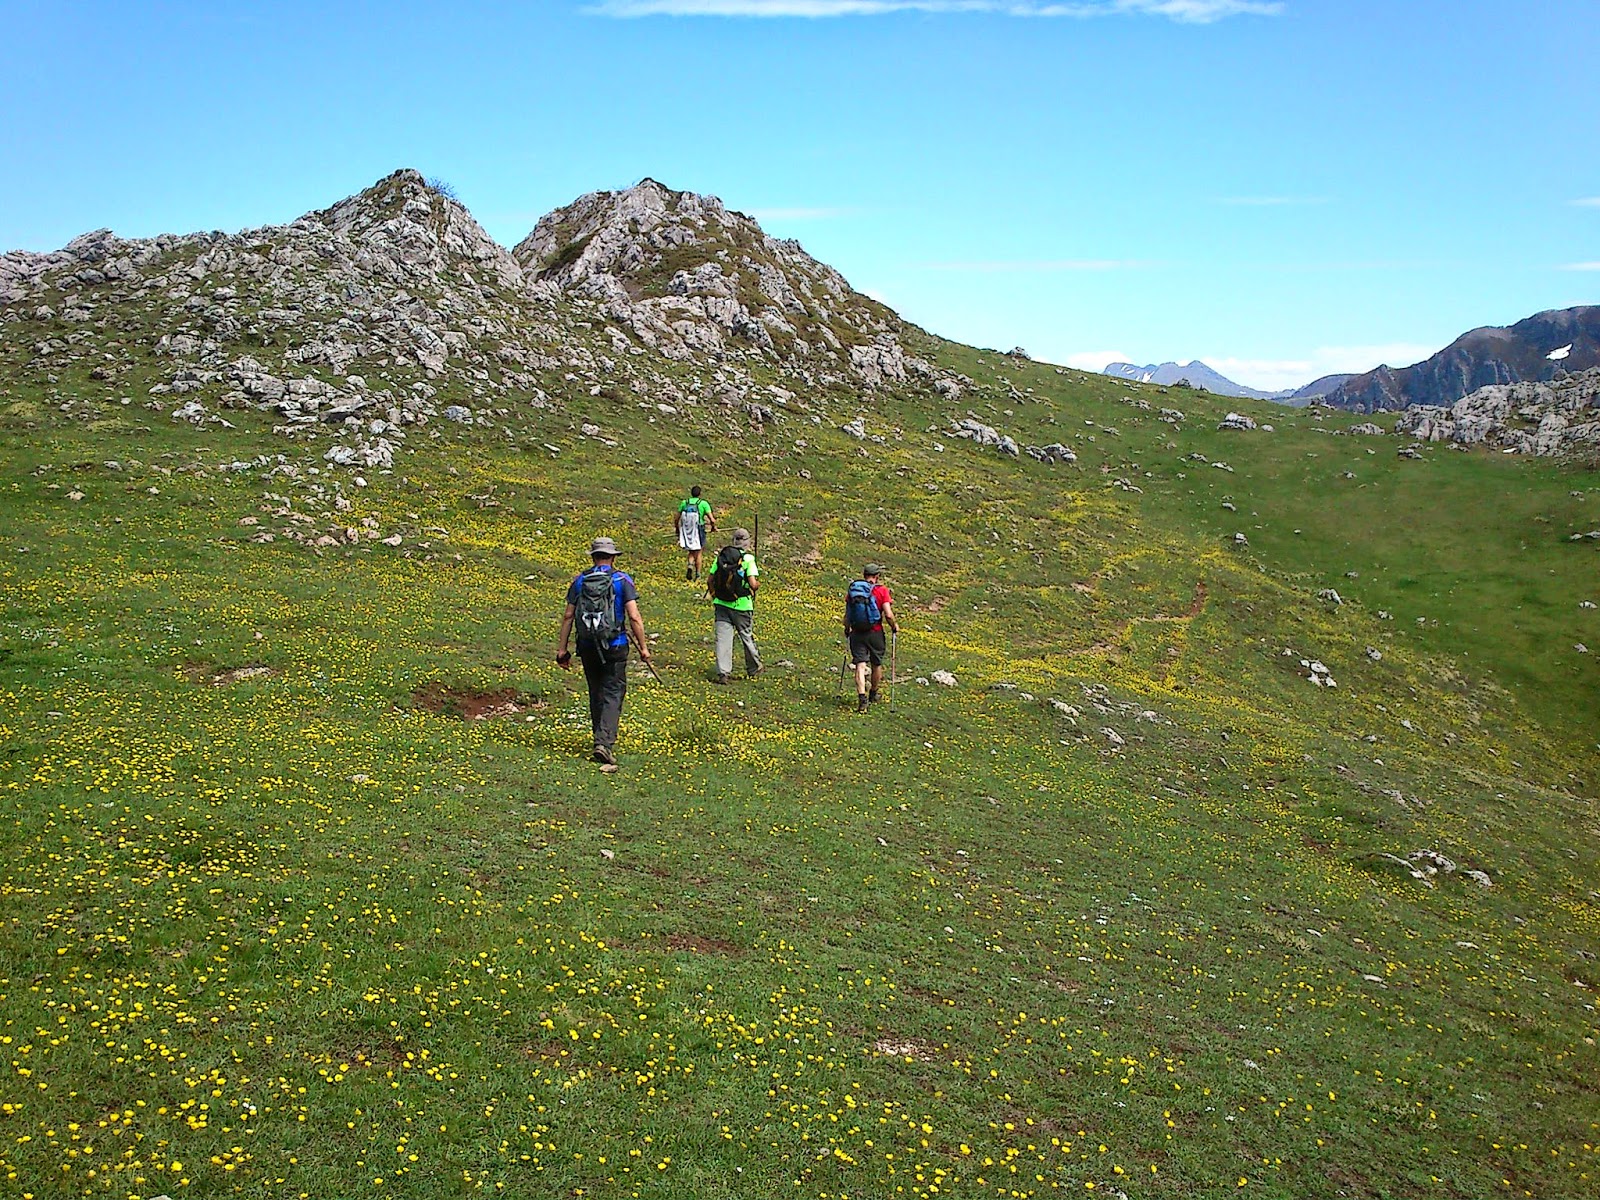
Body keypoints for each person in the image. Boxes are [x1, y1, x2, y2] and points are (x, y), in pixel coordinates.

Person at [555, 537, 653, 766]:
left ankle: (599, 737)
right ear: (613, 557)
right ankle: (604, 743)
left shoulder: (580, 581)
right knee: (613, 691)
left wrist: (562, 649)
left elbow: (568, 615)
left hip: (587, 644)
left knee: (596, 690)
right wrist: (643, 647)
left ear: (593, 557)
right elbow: (634, 616)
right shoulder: (622, 580)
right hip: (615, 644)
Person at [708, 527, 762, 684]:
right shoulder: (748, 559)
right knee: (746, 635)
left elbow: (710, 580)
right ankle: (754, 668)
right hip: (742, 605)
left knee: (723, 639)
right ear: (747, 542)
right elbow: (753, 584)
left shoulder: (722, 557)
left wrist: (714, 596)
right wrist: (757, 585)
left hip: (721, 603)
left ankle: (723, 673)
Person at [844, 563, 898, 714]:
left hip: (857, 632)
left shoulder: (854, 591)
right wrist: (894, 626)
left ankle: (862, 699)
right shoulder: (882, 590)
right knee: (876, 664)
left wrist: (847, 629)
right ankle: (873, 693)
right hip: (875, 632)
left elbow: (847, 615)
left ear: (864, 575)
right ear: (877, 576)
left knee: (860, 665)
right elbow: (888, 614)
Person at [675, 486, 715, 581]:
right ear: (700, 494)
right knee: (699, 551)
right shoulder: (703, 503)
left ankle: (690, 565)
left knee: (691, 550)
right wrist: (713, 528)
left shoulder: (684, 503)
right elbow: (712, 520)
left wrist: (677, 529)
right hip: (698, 529)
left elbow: (677, 518)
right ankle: (698, 574)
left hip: (687, 530)